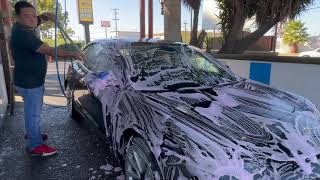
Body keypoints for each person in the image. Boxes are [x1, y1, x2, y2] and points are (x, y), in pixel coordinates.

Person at [10, 1, 85, 156]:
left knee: (31, 111)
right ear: (17, 17)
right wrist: (73, 53)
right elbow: (48, 50)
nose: (32, 19)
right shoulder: (23, 34)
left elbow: (38, 19)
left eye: (33, 15)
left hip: (27, 80)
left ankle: (32, 134)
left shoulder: (24, 26)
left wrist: (46, 16)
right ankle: (36, 145)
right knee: (33, 114)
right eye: (27, 16)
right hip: (30, 83)